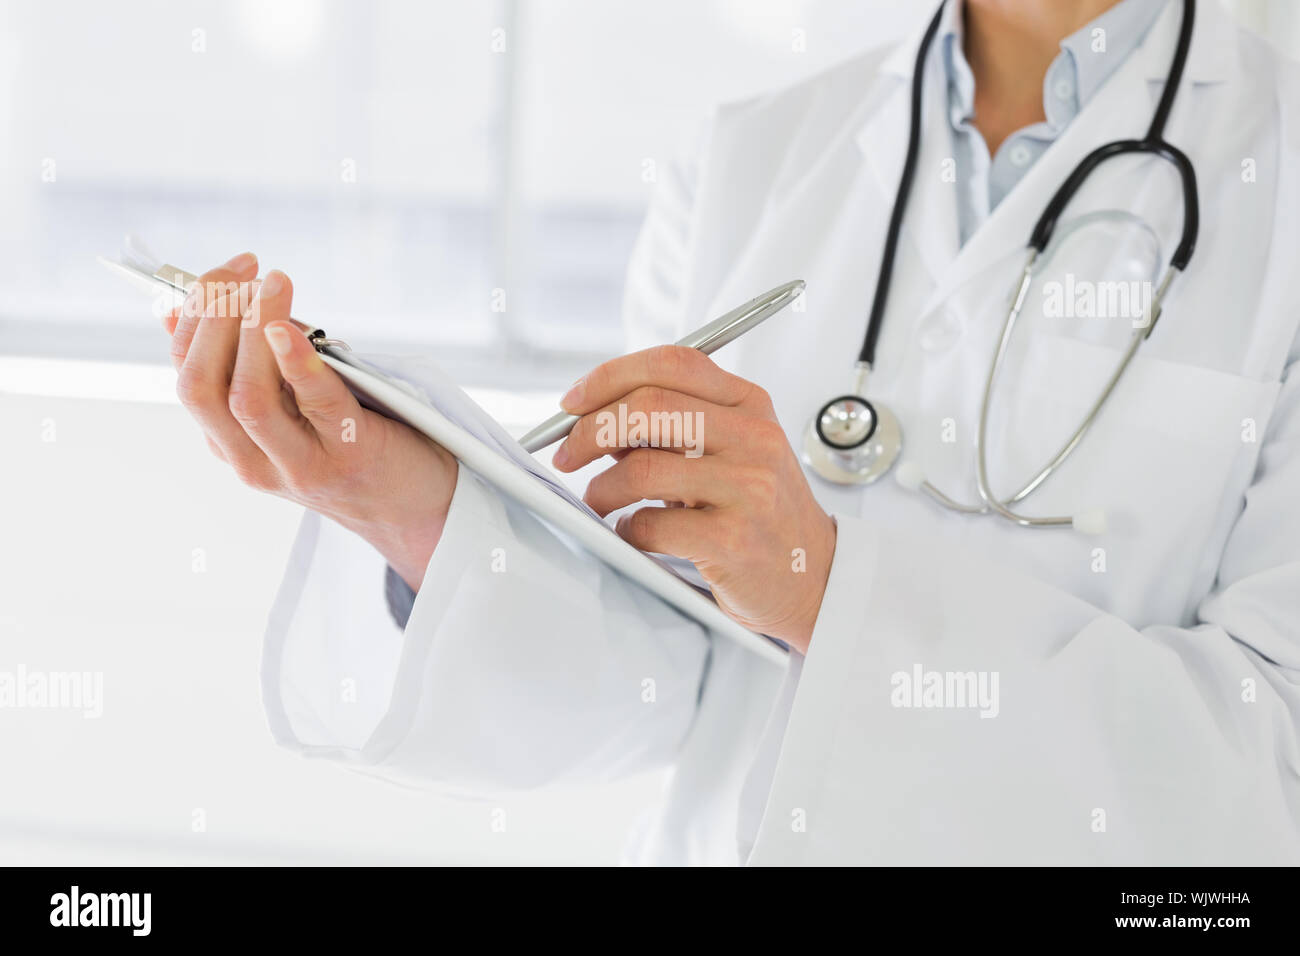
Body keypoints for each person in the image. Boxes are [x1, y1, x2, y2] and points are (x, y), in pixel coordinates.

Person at [163, 0, 1300, 865]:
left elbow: (1268, 783)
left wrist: (824, 584)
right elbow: (671, 685)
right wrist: (406, 505)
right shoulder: (751, 159)